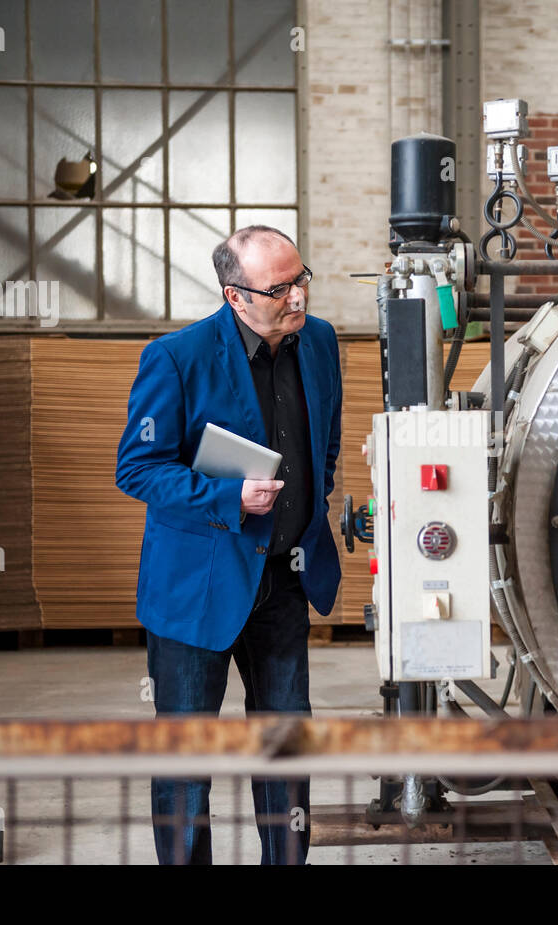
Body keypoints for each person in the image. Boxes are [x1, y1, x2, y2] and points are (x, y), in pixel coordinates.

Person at [115, 225, 342, 865]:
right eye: (280, 289)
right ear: (235, 295)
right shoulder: (177, 358)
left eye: (302, 279)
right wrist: (227, 498)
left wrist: (305, 510)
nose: (298, 298)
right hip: (198, 587)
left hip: (284, 582)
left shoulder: (319, 342)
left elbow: (321, 441)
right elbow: (137, 467)